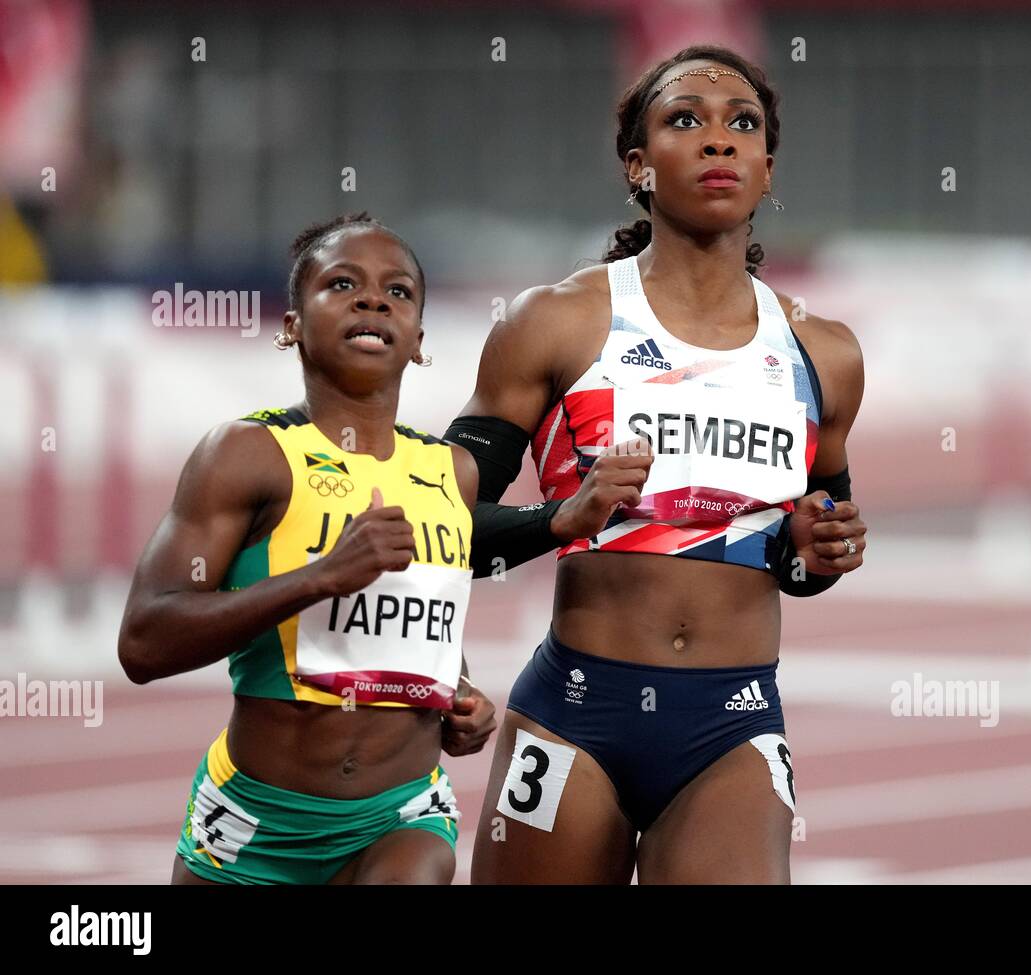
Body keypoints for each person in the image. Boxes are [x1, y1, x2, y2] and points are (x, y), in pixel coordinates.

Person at [445, 46, 865, 884]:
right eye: (686, 120)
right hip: (574, 712)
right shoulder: (555, 323)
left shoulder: (825, 353)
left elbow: (802, 551)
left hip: (731, 720)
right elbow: (438, 521)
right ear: (638, 167)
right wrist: (555, 520)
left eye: (741, 124)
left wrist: (818, 553)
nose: (719, 140)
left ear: (767, 168)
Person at [118, 213, 497, 885]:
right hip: (254, 822)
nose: (374, 300)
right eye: (342, 283)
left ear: (418, 340)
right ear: (292, 323)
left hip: (399, 815)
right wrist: (319, 577)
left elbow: (424, 631)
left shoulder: (452, 471)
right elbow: (144, 643)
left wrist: (460, 696)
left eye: (398, 291)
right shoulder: (245, 454)